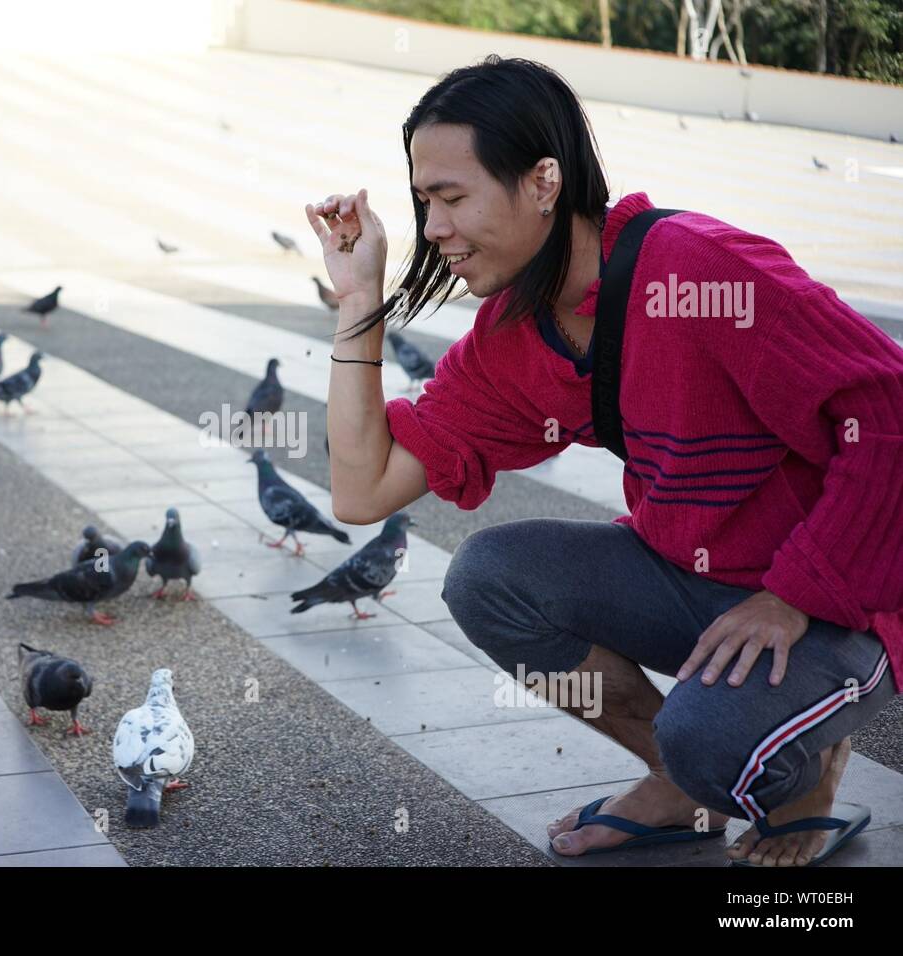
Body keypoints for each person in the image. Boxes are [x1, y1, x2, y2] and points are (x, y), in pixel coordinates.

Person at [308, 55, 902, 867]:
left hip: (839, 601)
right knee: (489, 577)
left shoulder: (701, 269)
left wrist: (793, 596)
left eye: (452, 198)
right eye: (423, 202)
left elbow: (887, 410)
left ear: (544, 181)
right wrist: (357, 301)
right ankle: (675, 779)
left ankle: (800, 764)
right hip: (695, 580)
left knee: (715, 742)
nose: (434, 227)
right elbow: (360, 489)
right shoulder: (516, 336)